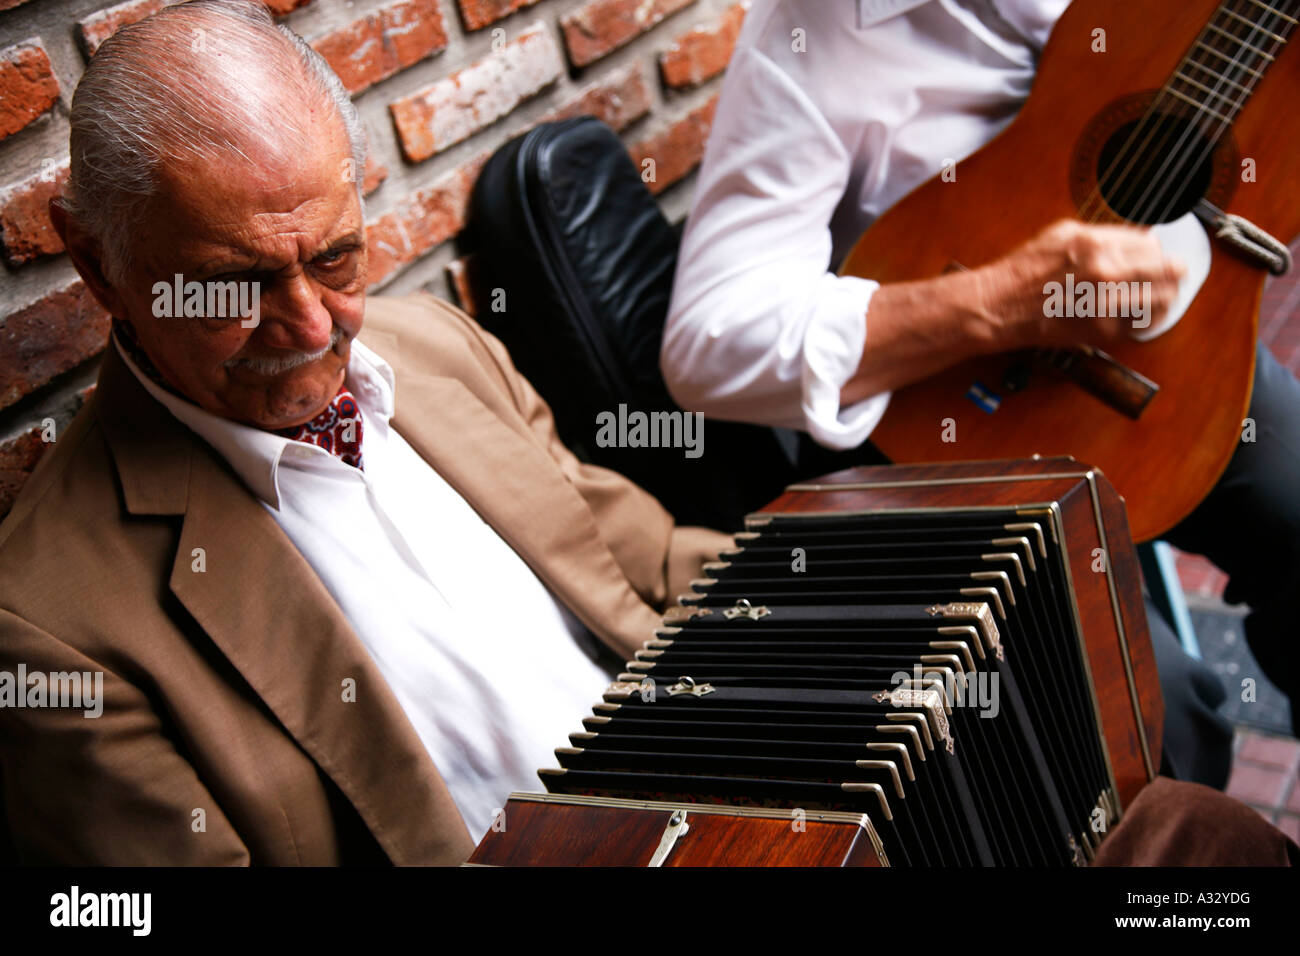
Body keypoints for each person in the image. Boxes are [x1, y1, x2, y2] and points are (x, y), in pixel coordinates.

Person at [0, 0, 727, 864]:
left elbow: (649, 564)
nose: (312, 329)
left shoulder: (438, 344)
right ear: (97, 265)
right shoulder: (45, 627)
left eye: (336, 257)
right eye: (235, 283)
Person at [663, 0, 1300, 788]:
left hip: (1179, 348)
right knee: (1147, 718)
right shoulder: (811, 31)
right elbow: (706, 337)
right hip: (956, 410)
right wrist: (1000, 302)